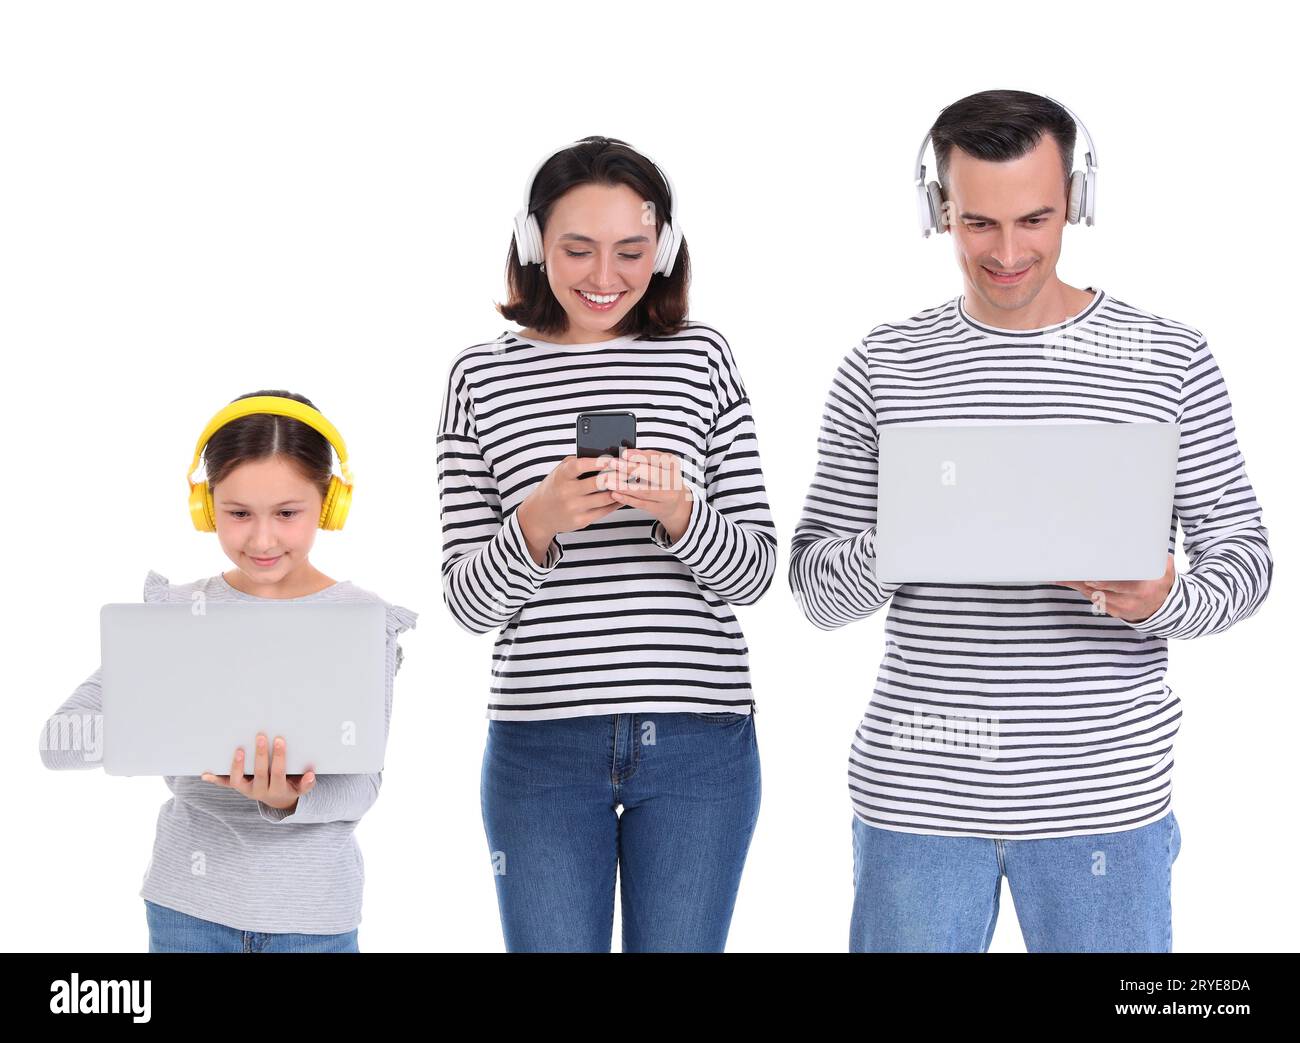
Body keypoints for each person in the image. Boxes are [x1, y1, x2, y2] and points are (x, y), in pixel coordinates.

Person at [788, 90, 1272, 952]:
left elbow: (1245, 561)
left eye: (1035, 219)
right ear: (938, 210)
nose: (1007, 253)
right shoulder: (883, 363)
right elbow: (816, 591)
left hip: (1104, 805)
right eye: (978, 224)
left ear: (1077, 203)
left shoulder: (1169, 357)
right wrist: (912, 527)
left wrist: (1162, 597)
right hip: (919, 805)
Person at [438, 136, 776, 952]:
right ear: (531, 246)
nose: (604, 276)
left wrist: (681, 514)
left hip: (699, 740)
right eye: (576, 249)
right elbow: (464, 601)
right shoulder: (478, 379)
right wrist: (537, 522)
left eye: (631, 252)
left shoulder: (703, 358)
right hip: (540, 744)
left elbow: (759, 571)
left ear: (661, 251)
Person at [39, 391, 417, 952]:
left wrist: (285, 800)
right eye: (237, 513)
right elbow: (58, 743)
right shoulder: (174, 614)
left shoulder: (360, 620)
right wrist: (171, 728)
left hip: (313, 918)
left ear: (331, 505)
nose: (261, 539)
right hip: (186, 912)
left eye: (288, 513)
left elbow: (361, 787)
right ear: (206, 506)